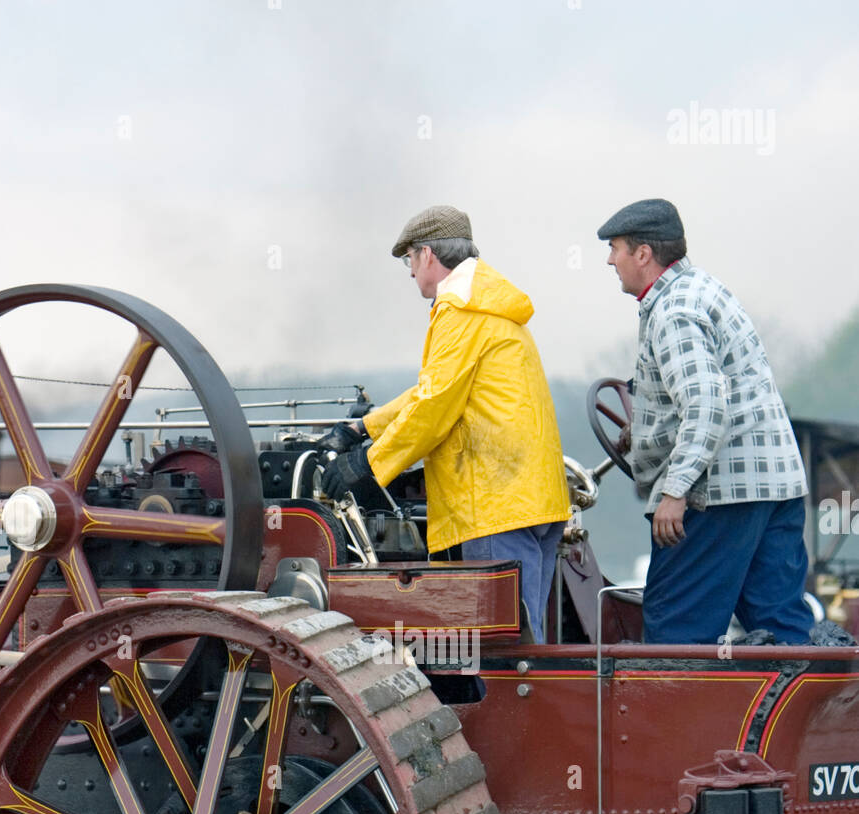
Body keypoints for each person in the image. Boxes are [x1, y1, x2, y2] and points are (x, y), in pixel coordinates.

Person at [320, 205, 570, 642]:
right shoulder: (489, 304)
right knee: (529, 644)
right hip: (533, 498)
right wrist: (366, 429)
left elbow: (434, 407)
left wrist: (369, 464)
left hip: (495, 505)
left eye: (409, 260)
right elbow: (434, 390)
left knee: (506, 655)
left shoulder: (459, 309)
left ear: (429, 254)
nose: (410, 271)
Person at [597, 197, 811, 646]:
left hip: (718, 493)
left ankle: (667, 716)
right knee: (781, 623)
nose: (609, 259)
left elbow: (707, 403)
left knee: (676, 628)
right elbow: (718, 384)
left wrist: (675, 491)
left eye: (615, 248)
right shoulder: (701, 288)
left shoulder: (673, 312)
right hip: (774, 483)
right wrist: (642, 429)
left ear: (643, 254)